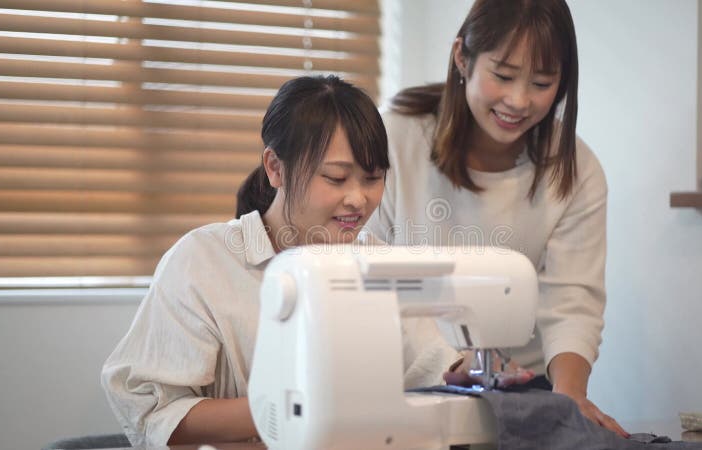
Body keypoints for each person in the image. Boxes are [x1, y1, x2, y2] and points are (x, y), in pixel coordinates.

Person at [102, 76, 452, 447]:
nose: (358, 199)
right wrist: (287, 409)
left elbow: (435, 364)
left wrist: (472, 372)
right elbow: (149, 409)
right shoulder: (203, 262)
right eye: (336, 178)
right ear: (275, 168)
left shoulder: (377, 264)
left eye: (373, 178)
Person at [365, 0, 629, 438]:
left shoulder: (576, 169)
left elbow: (572, 304)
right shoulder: (393, 142)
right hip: (404, 385)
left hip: (519, 394)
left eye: (542, 82)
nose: (519, 100)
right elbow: (365, 282)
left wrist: (570, 399)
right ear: (462, 58)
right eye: (503, 76)